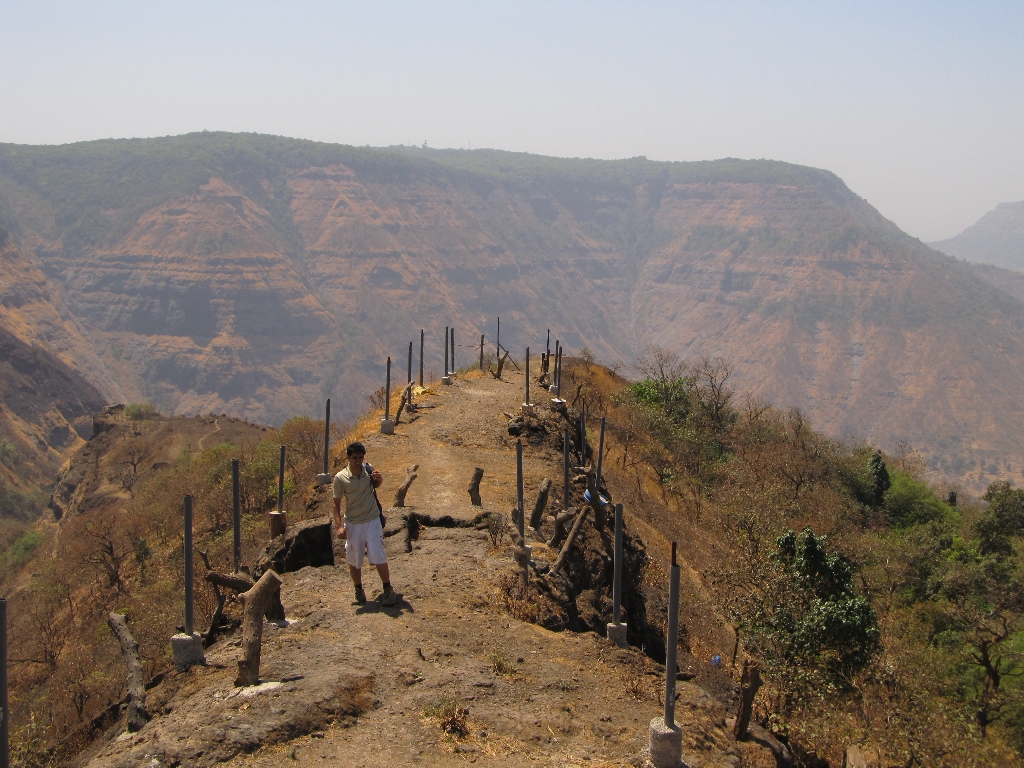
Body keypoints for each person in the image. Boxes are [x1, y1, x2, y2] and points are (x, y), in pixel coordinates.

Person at [333, 441, 397, 605]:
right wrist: (339, 526)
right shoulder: (340, 478)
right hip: (353, 522)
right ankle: (358, 590)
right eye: (354, 457)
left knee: (378, 554)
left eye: (361, 457)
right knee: (355, 558)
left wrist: (378, 480)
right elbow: (336, 503)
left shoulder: (368, 470)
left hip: (372, 519)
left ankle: (388, 588)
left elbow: (374, 486)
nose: (358, 461)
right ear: (348, 457)